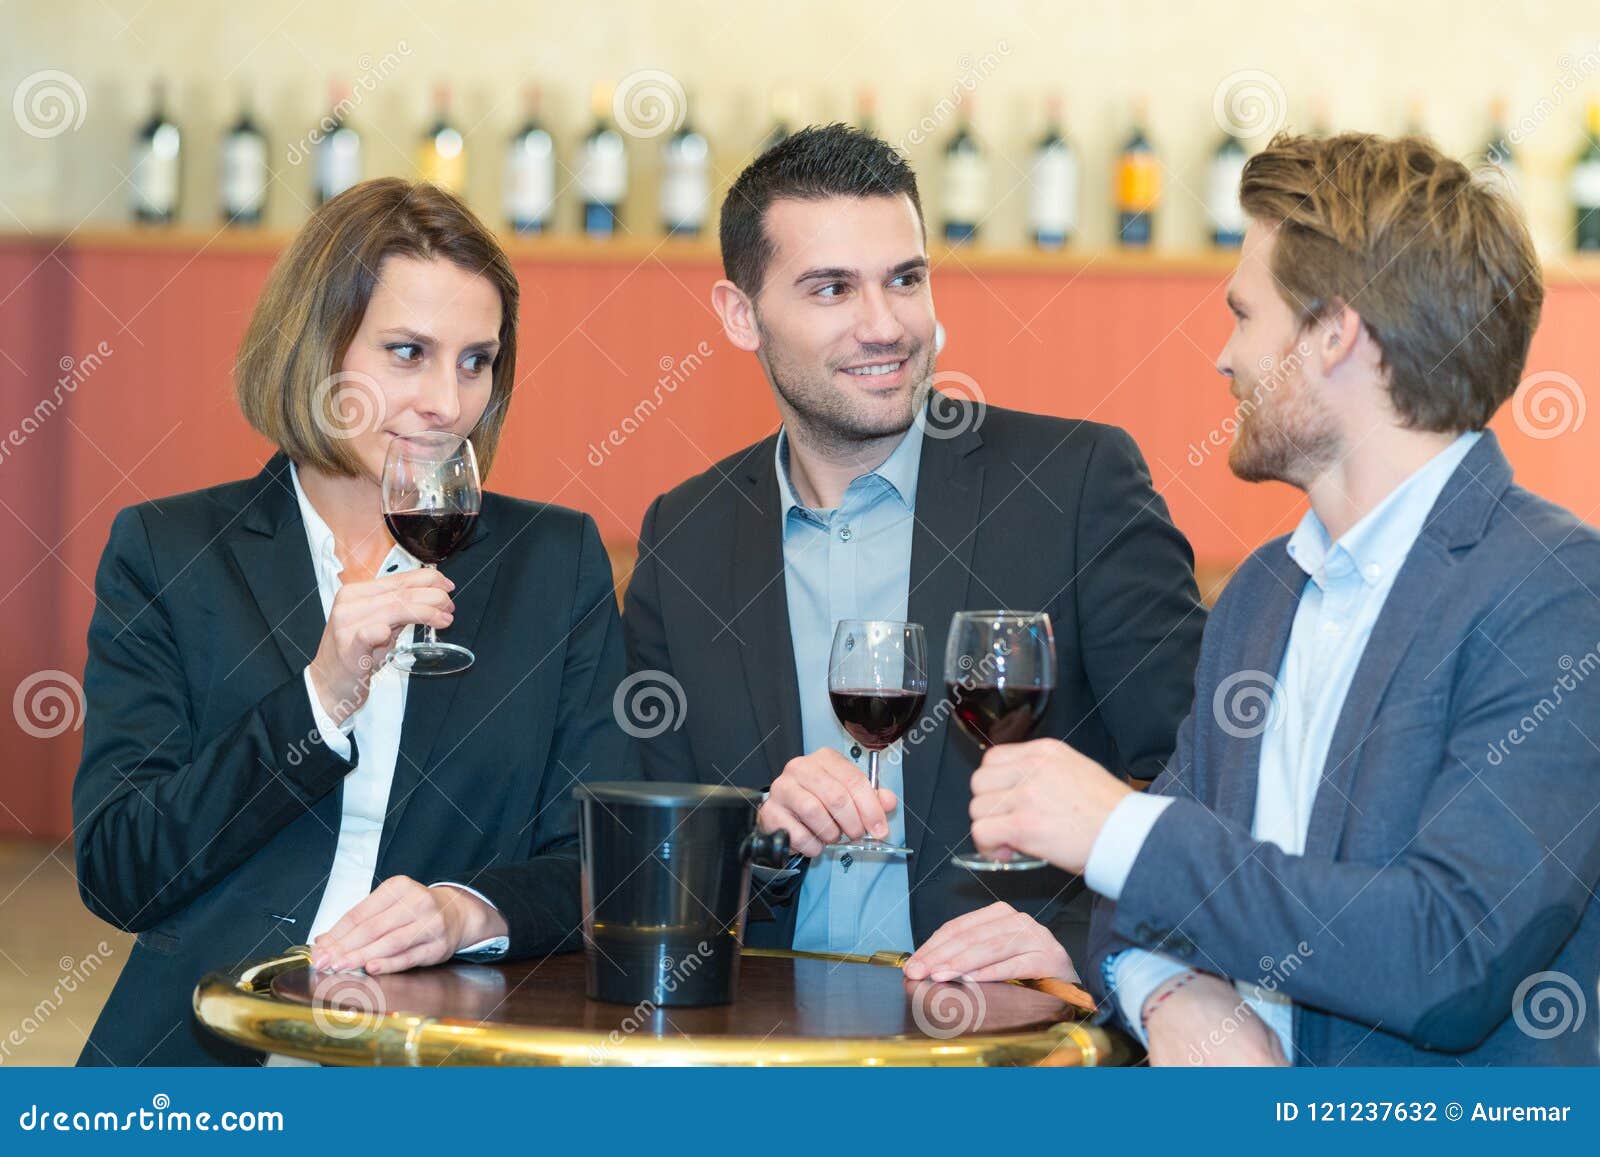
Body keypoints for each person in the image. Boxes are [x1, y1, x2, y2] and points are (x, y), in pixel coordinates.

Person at [964, 131, 1600, 1065]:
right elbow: (1132, 910)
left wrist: (1118, 827)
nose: (1224, 358)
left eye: (1244, 315)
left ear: (1335, 330)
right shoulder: (1264, 589)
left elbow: (1447, 952)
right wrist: (1173, 995)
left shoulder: (1559, 593)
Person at [622, 125, 1205, 978]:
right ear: (739, 315)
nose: (885, 325)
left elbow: (1202, 774)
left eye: (907, 279)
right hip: (765, 1044)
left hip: (1007, 1046)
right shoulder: (685, 538)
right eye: (831, 289)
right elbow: (654, 858)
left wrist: (1082, 942)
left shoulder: (1077, 484)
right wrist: (768, 841)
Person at [73, 178, 633, 1065]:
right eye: (408, 352)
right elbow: (121, 872)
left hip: (444, 1059)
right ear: (316, 349)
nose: (447, 403)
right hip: (212, 1053)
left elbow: (612, 861)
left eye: (476, 360)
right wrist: (322, 696)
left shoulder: (553, 562)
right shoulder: (171, 550)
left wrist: (465, 910)